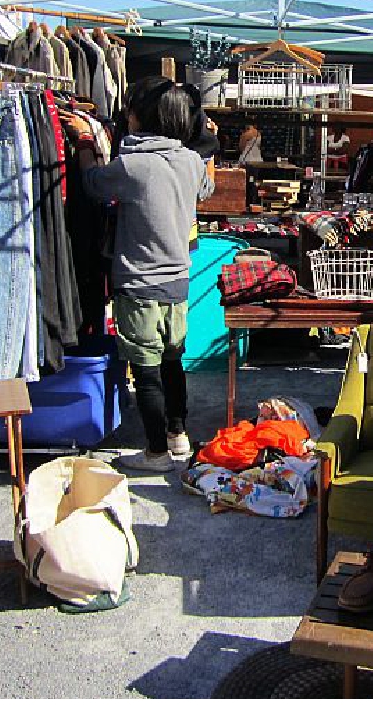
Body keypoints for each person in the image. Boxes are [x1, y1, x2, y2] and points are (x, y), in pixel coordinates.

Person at [76, 76, 215, 473]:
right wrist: (207, 140)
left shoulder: (132, 165)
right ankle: (177, 434)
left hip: (139, 281)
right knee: (172, 360)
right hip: (179, 281)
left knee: (146, 369)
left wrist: (85, 143)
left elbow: (92, 185)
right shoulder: (189, 161)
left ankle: (155, 453)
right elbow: (206, 187)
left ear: (142, 117)